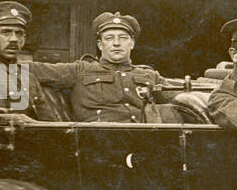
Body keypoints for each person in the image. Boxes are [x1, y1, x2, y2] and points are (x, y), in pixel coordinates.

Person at [29, 12, 179, 122]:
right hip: (96, 144)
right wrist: (6, 63)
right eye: (109, 38)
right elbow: (32, 69)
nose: (116, 43)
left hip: (142, 142)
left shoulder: (148, 75)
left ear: (132, 43)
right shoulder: (80, 70)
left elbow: (180, 94)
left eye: (123, 38)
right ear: (100, 45)